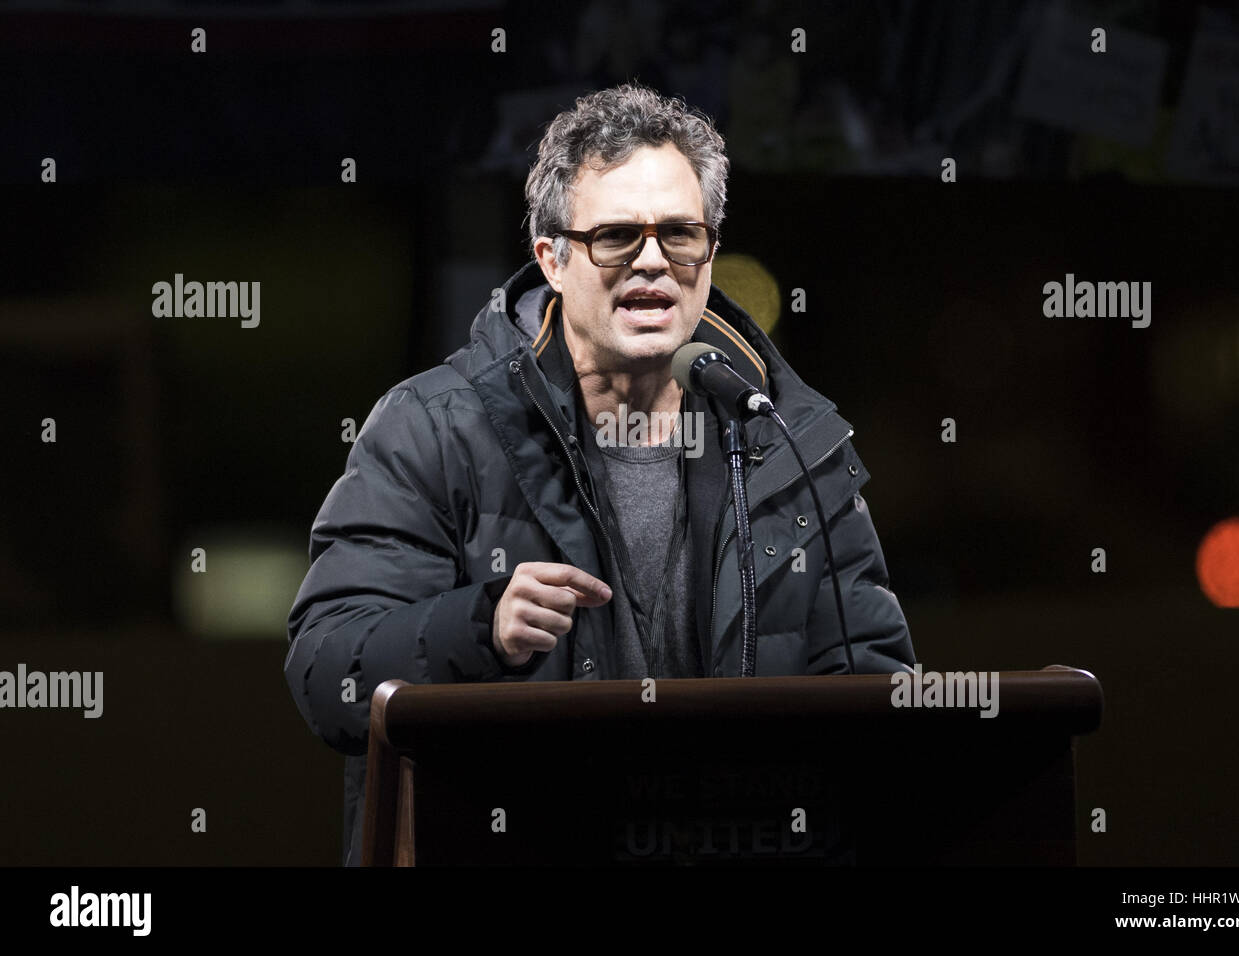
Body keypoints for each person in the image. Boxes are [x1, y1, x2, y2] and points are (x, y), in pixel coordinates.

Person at [284, 82, 915, 866]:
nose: (652, 261)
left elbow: (884, 705)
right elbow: (326, 671)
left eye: (681, 234)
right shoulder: (434, 428)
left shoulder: (789, 439)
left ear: (710, 252)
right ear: (551, 257)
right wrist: (480, 625)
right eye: (616, 236)